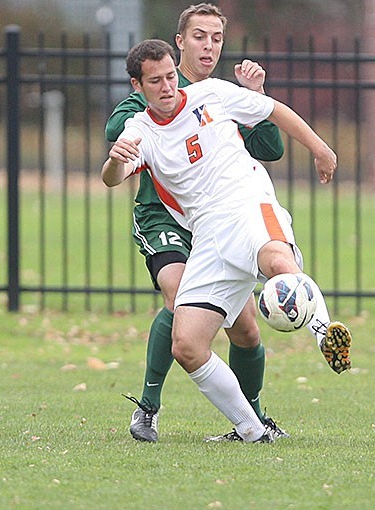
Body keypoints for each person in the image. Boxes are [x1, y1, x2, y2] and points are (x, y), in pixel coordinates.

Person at [102, 38, 352, 443]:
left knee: (278, 261)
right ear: (137, 86)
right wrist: (115, 160)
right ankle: (251, 430)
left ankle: (325, 333)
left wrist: (320, 148)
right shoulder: (140, 130)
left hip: (248, 202)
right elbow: (112, 178)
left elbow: (273, 110)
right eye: (155, 81)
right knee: (187, 344)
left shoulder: (212, 93)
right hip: (208, 235)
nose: (167, 87)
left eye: (170, 76)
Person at [106, 3, 285, 443]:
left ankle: (252, 419)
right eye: (199, 37)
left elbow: (270, 148)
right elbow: (118, 128)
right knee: (179, 293)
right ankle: (148, 407)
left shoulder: (219, 95)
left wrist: (256, 95)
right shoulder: (161, 85)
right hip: (163, 217)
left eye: (216, 38)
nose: (209, 46)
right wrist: (146, 120)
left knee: (246, 329)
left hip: (220, 221)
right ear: (179, 42)